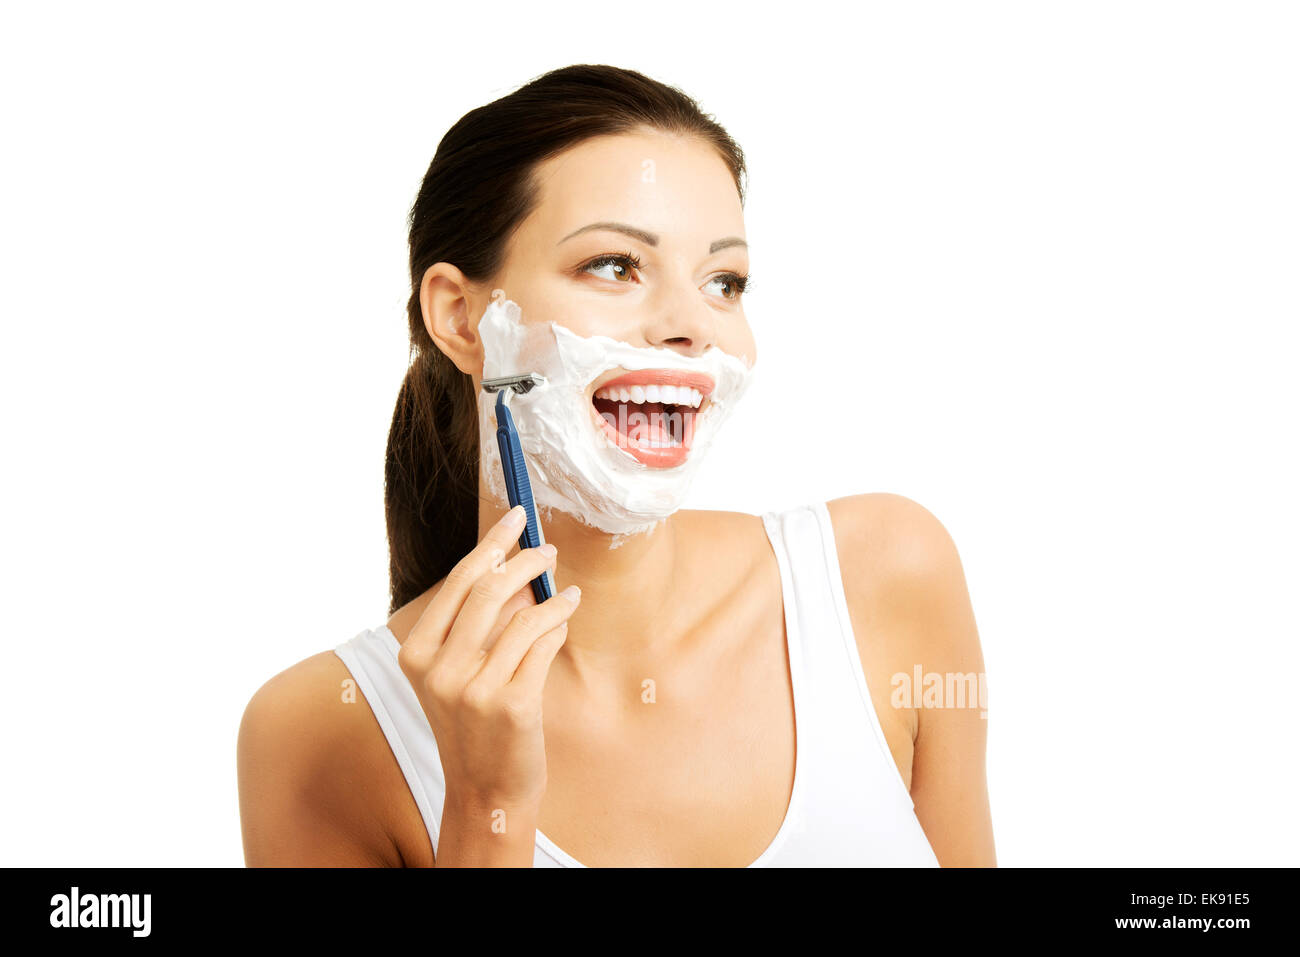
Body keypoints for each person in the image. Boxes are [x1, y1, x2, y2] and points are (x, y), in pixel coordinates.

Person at [237, 63, 996, 867]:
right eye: (615, 266)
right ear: (462, 318)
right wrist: (487, 807)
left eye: (723, 281)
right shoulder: (318, 732)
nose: (689, 325)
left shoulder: (884, 576)